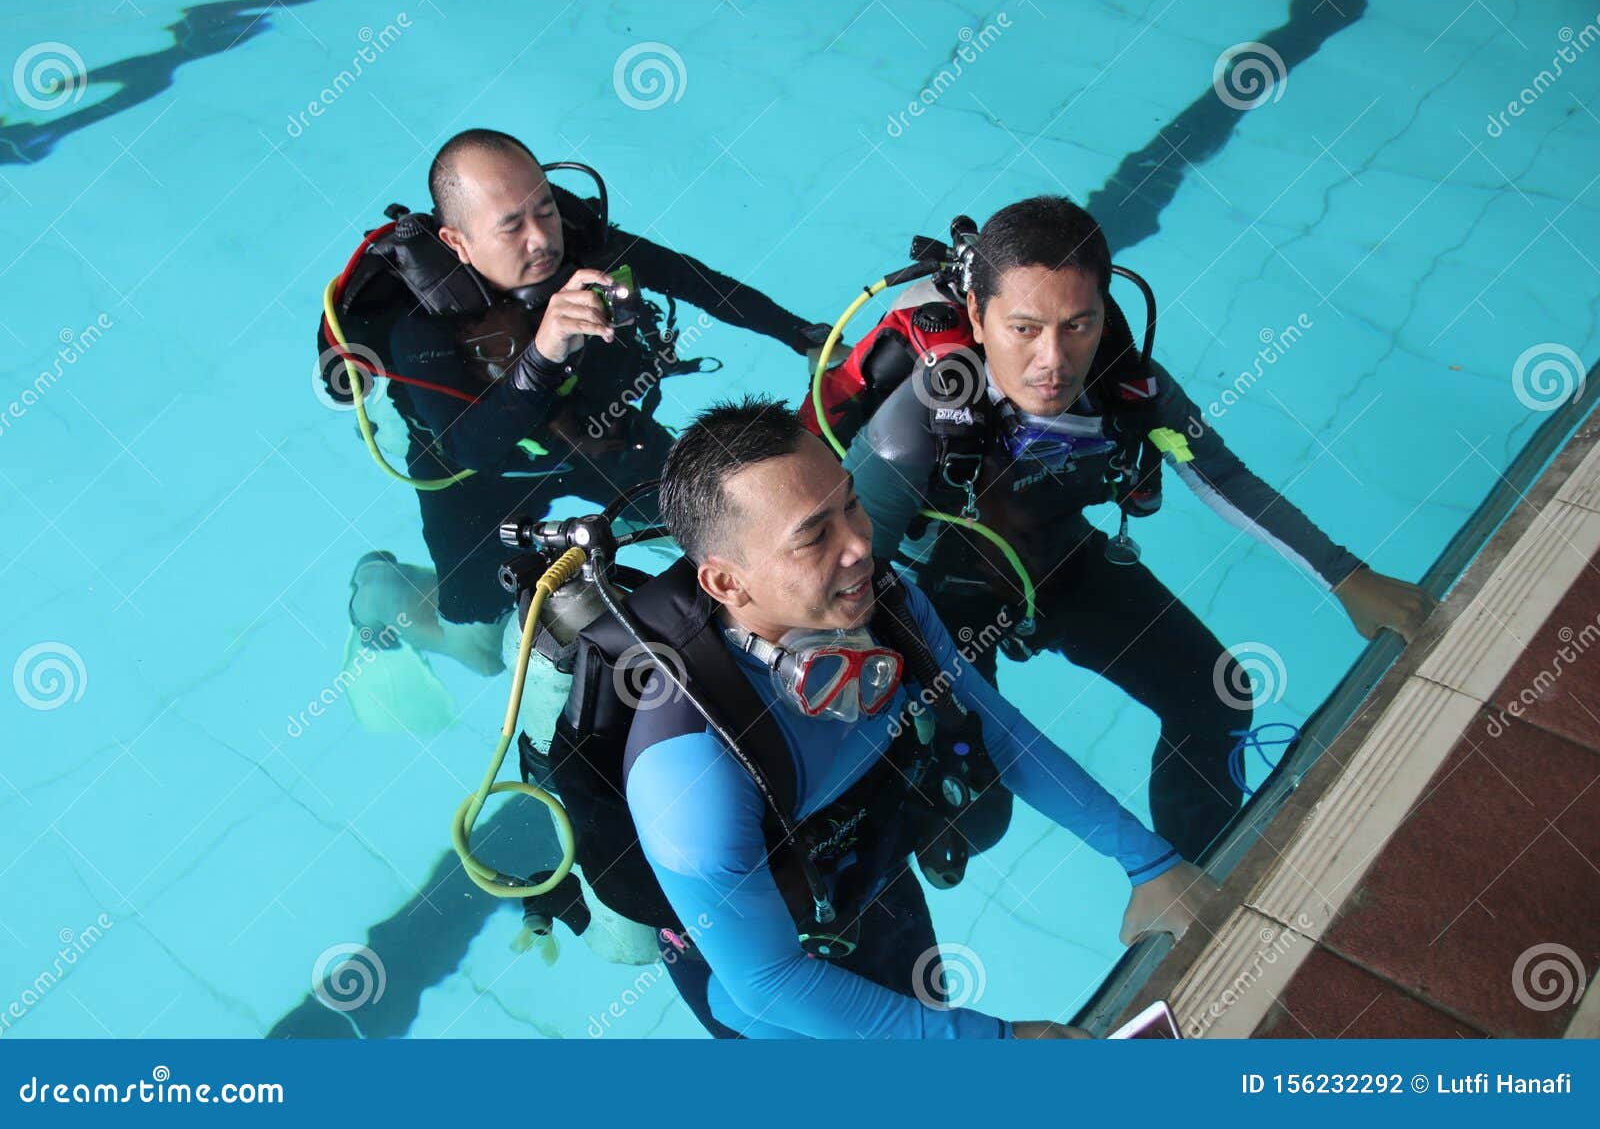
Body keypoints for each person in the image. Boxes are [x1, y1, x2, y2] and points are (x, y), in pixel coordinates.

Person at [839, 195, 1435, 862]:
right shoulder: (913, 426)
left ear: (1104, 311)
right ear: (977, 317)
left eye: (1078, 324)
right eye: (1024, 328)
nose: (1052, 361)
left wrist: (1347, 577)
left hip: (1058, 559)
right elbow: (853, 584)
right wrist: (925, 702)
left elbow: (1220, 476)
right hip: (938, 600)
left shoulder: (1128, 384)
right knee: (976, 818)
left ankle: (1199, 878)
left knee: (1217, 695)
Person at [620, 396, 1213, 1039]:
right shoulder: (688, 769)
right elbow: (766, 986)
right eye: (814, 536)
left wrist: (1149, 863)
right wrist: (995, 1044)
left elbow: (999, 731)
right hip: (758, 983)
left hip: (866, 875)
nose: (860, 545)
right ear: (727, 584)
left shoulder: (885, 605)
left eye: (851, 504)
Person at [348, 129, 832, 678]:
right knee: (483, 652)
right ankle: (383, 592)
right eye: (511, 226)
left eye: (545, 210)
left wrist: (802, 335)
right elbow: (470, 448)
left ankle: (594, 554)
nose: (541, 239)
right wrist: (543, 352)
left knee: (720, 528)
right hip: (479, 483)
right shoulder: (421, 326)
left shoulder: (584, 248)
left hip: (594, 437)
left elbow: (695, 281)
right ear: (457, 242)